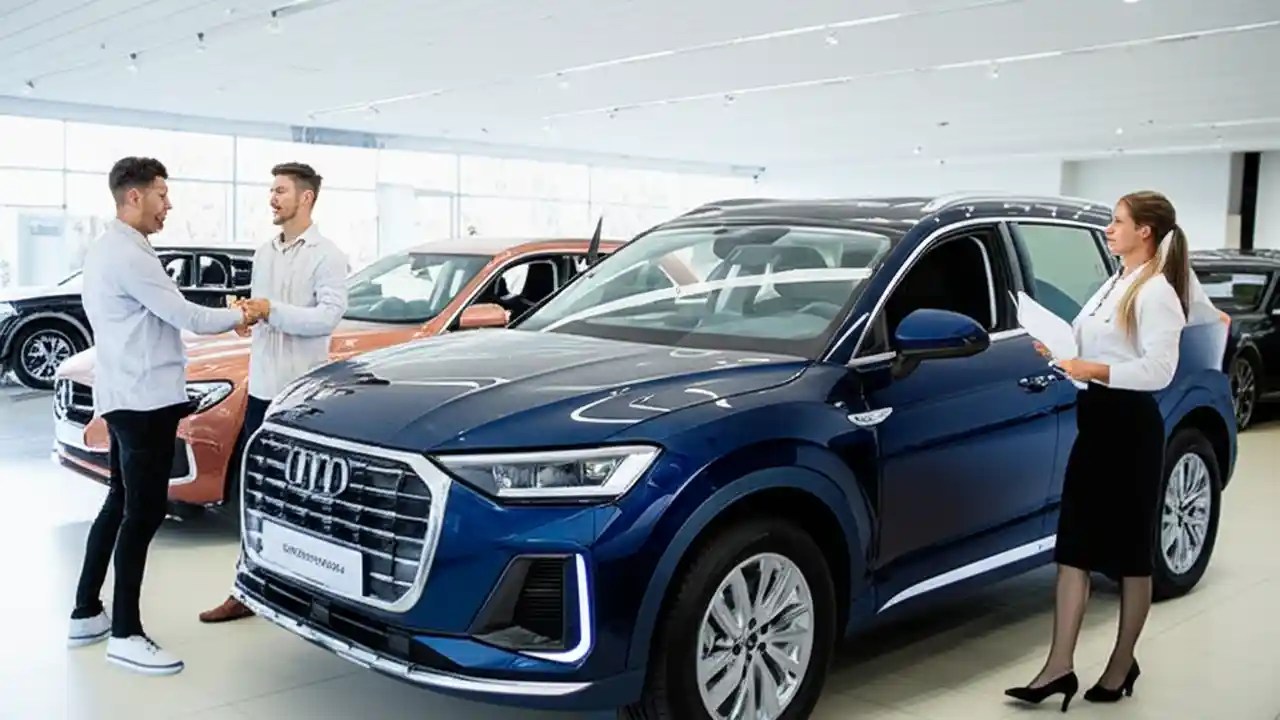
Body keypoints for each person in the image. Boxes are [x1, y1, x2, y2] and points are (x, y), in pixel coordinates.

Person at [1004, 190, 1221, 711]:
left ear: (1145, 231)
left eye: (1118, 221)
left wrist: (1093, 370)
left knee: (1130, 557)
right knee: (1072, 550)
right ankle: (1058, 667)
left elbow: (1158, 371)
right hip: (1096, 426)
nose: (1109, 228)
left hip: (1130, 434)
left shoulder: (1157, 293)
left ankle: (1122, 663)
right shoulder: (1115, 282)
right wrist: (1063, 354)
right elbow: (1096, 347)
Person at [68, 157, 267, 675]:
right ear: (133, 196)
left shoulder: (113, 248)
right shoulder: (128, 254)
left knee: (119, 503)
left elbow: (163, 310)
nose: (168, 204)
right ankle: (126, 633)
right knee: (143, 513)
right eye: (161, 194)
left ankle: (86, 611)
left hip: (127, 396)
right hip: (144, 402)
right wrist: (246, 313)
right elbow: (186, 315)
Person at [198, 161, 349, 624]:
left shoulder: (328, 255)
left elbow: (327, 317)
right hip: (262, 391)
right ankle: (247, 587)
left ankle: (311, 592)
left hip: (303, 397)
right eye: (271, 190)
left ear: (306, 198)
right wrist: (250, 317)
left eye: (280, 190)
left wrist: (272, 310)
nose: (272, 198)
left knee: (304, 499)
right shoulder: (264, 253)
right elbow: (266, 314)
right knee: (256, 493)